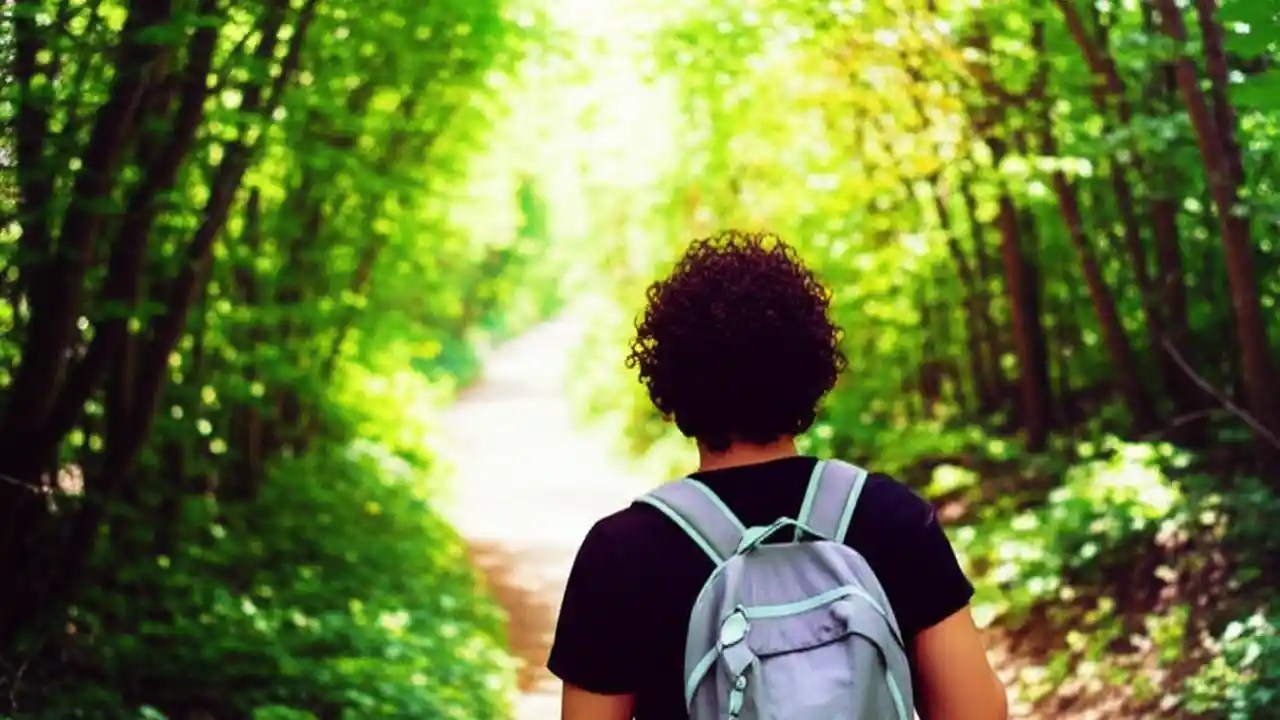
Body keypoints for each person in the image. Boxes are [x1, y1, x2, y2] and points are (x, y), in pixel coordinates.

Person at [547, 230, 1007, 720]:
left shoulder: (622, 556)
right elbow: (976, 713)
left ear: (669, 387)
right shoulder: (893, 521)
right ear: (813, 371)